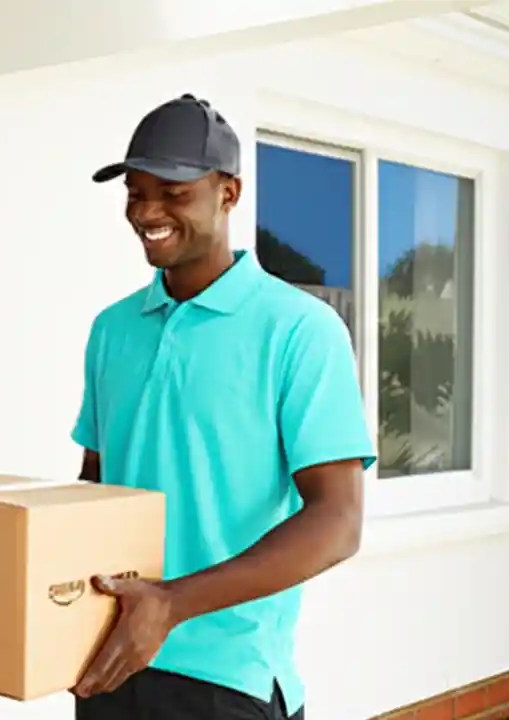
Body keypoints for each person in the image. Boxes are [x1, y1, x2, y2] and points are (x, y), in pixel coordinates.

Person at [69, 94, 377, 720]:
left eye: (173, 192)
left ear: (228, 193)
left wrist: (172, 603)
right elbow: (95, 488)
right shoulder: (112, 330)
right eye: (136, 192)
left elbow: (338, 523)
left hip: (226, 680)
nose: (147, 211)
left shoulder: (299, 331)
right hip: (112, 655)